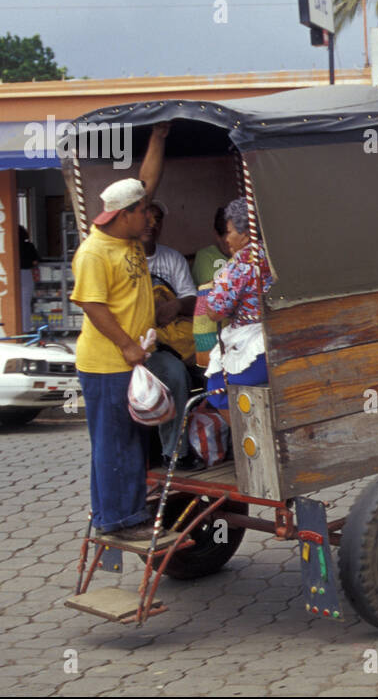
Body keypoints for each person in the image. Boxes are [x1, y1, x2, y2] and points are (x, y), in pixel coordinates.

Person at [70, 122, 169, 542]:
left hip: (126, 360)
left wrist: (158, 139)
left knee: (120, 443)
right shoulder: (95, 251)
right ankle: (121, 521)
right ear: (124, 215)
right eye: (143, 212)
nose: (150, 217)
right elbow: (91, 304)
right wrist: (128, 346)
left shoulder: (124, 237)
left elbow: (145, 182)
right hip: (108, 363)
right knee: (116, 446)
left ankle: (112, 513)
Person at [204, 197, 275, 421]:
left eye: (229, 232)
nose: (226, 239)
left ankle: (244, 436)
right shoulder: (276, 253)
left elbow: (215, 311)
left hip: (256, 346)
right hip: (278, 337)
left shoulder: (242, 262)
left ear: (245, 233)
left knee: (216, 387)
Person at [141, 200, 200, 465]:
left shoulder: (171, 257)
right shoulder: (125, 257)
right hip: (141, 344)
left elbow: (192, 298)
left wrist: (176, 305)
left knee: (214, 370)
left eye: (158, 219)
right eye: (147, 217)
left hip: (175, 339)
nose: (152, 225)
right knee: (174, 374)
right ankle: (175, 453)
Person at [192, 207, 232, 286]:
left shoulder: (247, 255)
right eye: (226, 242)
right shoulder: (205, 256)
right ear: (217, 234)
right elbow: (208, 291)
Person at [18, 225, 41, 333]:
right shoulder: (28, 246)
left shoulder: (10, 245)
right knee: (25, 303)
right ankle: (25, 328)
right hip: (26, 273)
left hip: (10, 274)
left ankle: (13, 326)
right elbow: (35, 261)